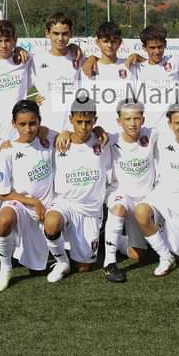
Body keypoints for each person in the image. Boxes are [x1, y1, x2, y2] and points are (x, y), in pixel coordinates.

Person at [41, 101, 115, 283]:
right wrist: (64, 132)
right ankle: (62, 262)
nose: (83, 127)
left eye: (88, 122)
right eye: (79, 122)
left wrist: (99, 130)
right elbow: (37, 130)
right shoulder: (59, 140)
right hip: (65, 203)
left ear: (95, 120)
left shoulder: (102, 141)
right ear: (71, 119)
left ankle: (115, 241)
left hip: (90, 210)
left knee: (83, 267)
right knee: (51, 223)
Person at [133, 103, 179, 277]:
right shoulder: (160, 135)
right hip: (161, 197)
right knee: (141, 212)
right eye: (177, 123)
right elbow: (129, 129)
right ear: (169, 124)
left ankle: (165, 242)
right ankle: (165, 257)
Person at [0, 100, 57, 291]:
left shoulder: (49, 139)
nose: (28, 129)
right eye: (22, 124)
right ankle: (5, 268)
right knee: (4, 220)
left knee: (38, 271)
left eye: (32, 123)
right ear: (14, 124)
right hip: (21, 205)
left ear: (39, 121)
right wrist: (33, 202)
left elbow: (73, 136)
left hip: (47, 208)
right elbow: (2, 192)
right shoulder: (7, 151)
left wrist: (97, 131)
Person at [101, 99, 158, 284]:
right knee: (118, 208)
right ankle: (109, 263)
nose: (132, 123)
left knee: (138, 255)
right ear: (119, 121)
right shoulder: (110, 139)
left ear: (143, 119)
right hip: (120, 193)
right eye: (127, 119)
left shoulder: (153, 135)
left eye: (136, 118)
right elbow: (83, 135)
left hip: (145, 199)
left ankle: (115, 239)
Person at [79, 21, 135, 136]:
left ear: (120, 42)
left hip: (124, 132)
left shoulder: (129, 66)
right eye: (105, 41)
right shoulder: (87, 68)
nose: (109, 45)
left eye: (113, 41)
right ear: (97, 42)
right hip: (97, 132)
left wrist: (138, 56)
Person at [127, 24, 179, 130]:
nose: (157, 51)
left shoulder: (175, 61)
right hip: (145, 128)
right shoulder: (137, 67)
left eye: (160, 47)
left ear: (165, 44)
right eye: (152, 48)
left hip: (169, 129)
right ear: (144, 47)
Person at [32, 12, 82, 133]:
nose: (60, 38)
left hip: (73, 131)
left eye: (64, 34)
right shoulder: (36, 60)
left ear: (71, 34)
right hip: (45, 130)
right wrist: (33, 102)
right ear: (47, 33)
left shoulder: (79, 58)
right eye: (55, 33)